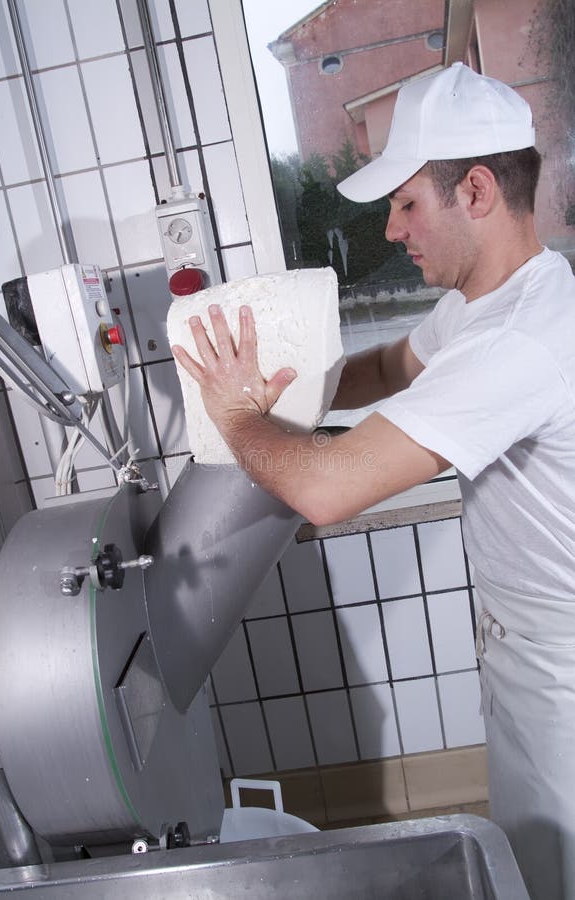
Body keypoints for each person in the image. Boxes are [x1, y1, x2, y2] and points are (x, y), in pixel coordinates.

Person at [172, 62, 575, 900]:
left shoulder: (523, 340)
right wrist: (295, 382)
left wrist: (240, 415)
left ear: (475, 193)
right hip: (521, 649)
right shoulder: (485, 302)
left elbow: (326, 491)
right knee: (528, 861)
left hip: (562, 668)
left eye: (406, 203)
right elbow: (393, 364)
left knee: (554, 869)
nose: (391, 229)